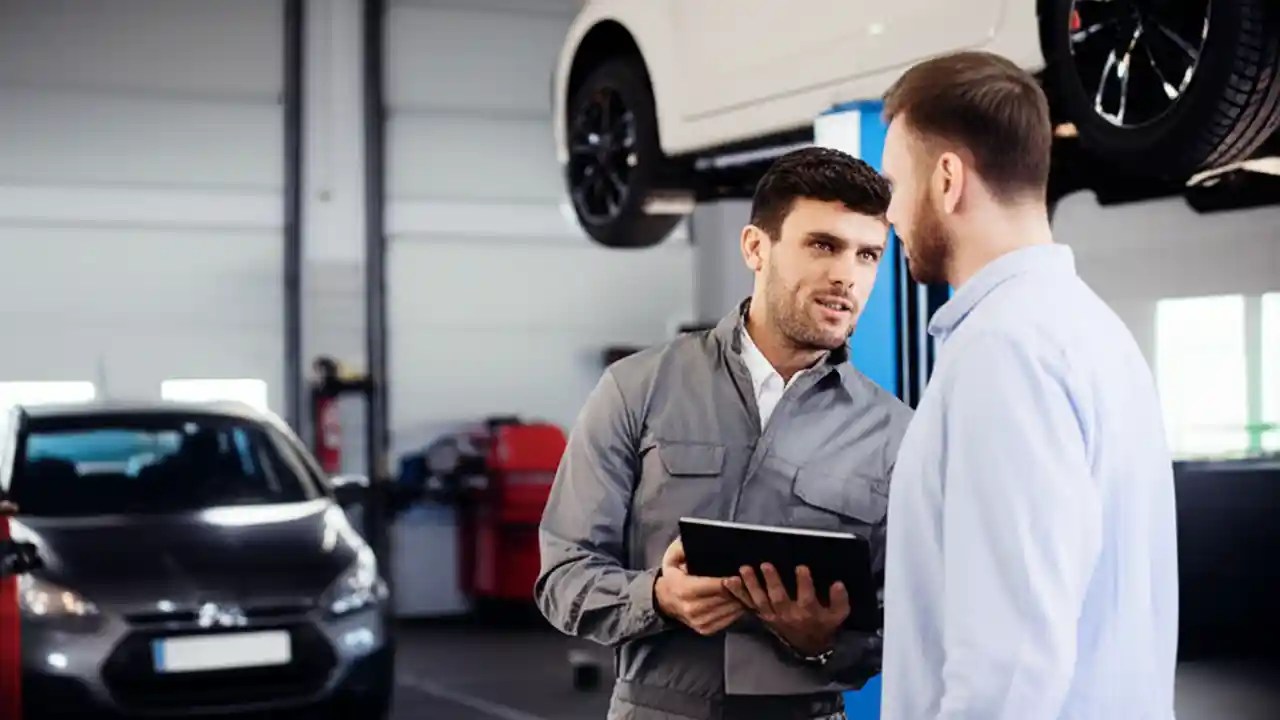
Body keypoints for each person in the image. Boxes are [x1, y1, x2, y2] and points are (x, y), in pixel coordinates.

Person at [535, 147, 913, 720]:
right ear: (756, 248)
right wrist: (657, 598)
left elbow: (912, 618)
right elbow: (562, 575)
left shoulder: (894, 432)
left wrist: (824, 641)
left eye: (868, 255)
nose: (846, 274)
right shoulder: (636, 388)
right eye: (823, 245)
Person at [877, 51, 1179, 719]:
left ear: (948, 179)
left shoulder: (1003, 352)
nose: (888, 214)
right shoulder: (1091, 330)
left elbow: (1009, 668)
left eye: (894, 184)